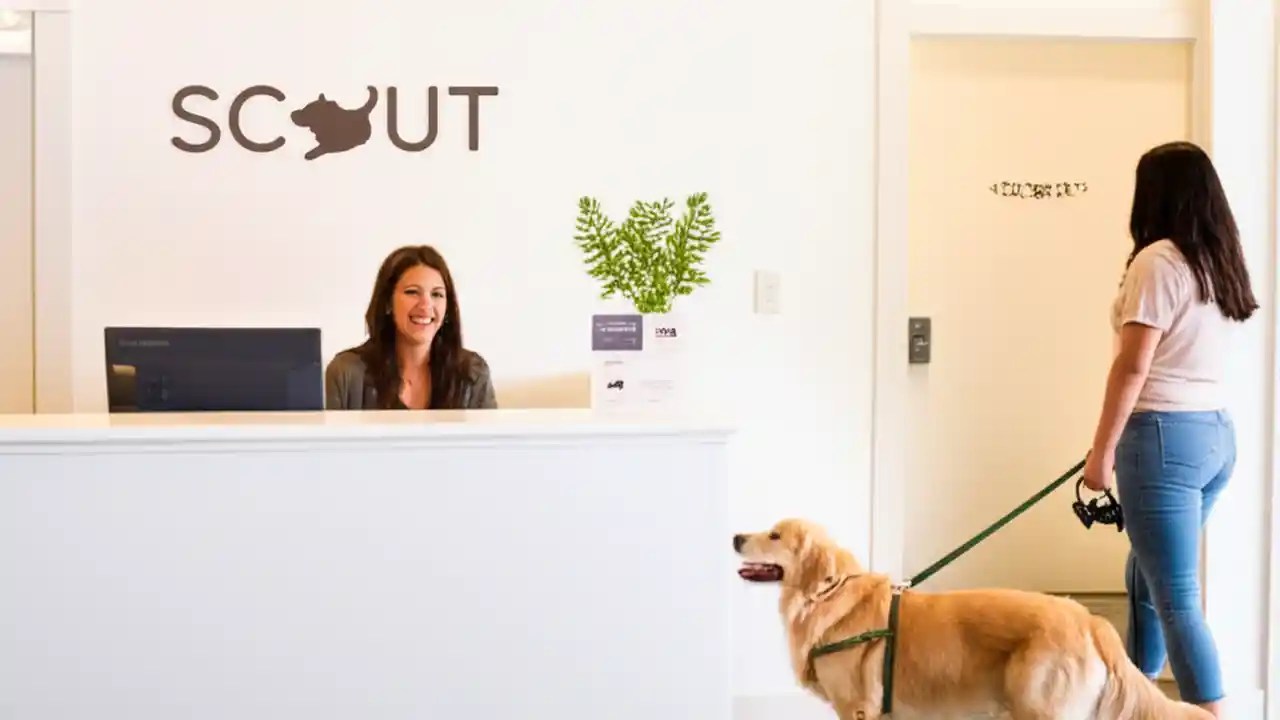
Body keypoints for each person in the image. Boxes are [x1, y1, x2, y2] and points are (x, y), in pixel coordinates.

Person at [1082, 140, 1257, 717]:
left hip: (1161, 438)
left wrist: (1099, 454)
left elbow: (1134, 365)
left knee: (1176, 595)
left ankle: (1210, 713)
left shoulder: (1157, 261)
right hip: (1214, 437)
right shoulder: (1219, 261)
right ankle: (1136, 696)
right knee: (1147, 573)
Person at [325, 245, 497, 410]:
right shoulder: (345, 372)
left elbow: (492, 439)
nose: (426, 305)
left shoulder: (473, 374)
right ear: (387, 303)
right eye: (412, 292)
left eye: (436, 294)